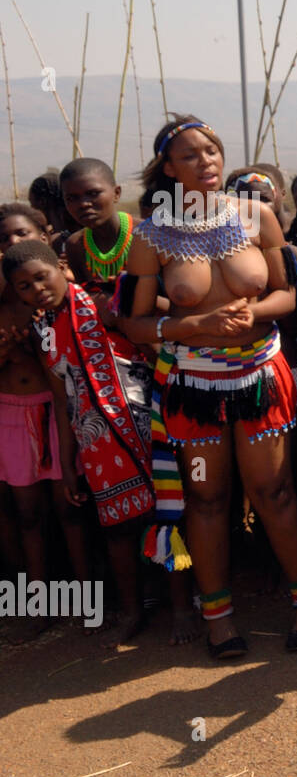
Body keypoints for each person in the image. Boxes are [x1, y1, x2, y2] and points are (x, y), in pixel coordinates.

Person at [123, 114, 297, 659]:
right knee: (206, 498)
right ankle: (218, 615)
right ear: (168, 168)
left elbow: (287, 295)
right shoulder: (149, 235)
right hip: (194, 383)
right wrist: (193, 327)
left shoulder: (259, 217)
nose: (205, 162)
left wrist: (252, 312)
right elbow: (133, 323)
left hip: (259, 374)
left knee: (275, 491)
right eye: (189, 155)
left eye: (211, 150)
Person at [4, 239, 197, 646]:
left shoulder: (101, 303)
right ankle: (132, 611)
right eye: (25, 286)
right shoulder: (43, 334)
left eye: (42, 277)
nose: (37, 288)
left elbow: (155, 344)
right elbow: (61, 400)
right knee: (117, 531)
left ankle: (181, 605)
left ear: (60, 268)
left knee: (165, 520)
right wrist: (68, 461)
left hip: (145, 427)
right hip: (95, 444)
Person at [0, 217, 68, 641]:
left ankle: (87, 594)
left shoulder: (51, 295)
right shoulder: (5, 302)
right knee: (26, 513)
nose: (12, 243)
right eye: (3, 238)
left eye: (20, 234)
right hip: (13, 416)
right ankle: (38, 601)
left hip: (56, 413)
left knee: (69, 510)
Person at [59, 158, 135, 302]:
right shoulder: (75, 245)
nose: (83, 204)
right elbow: (89, 304)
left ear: (116, 193)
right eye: (72, 198)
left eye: (93, 193)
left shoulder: (146, 235)